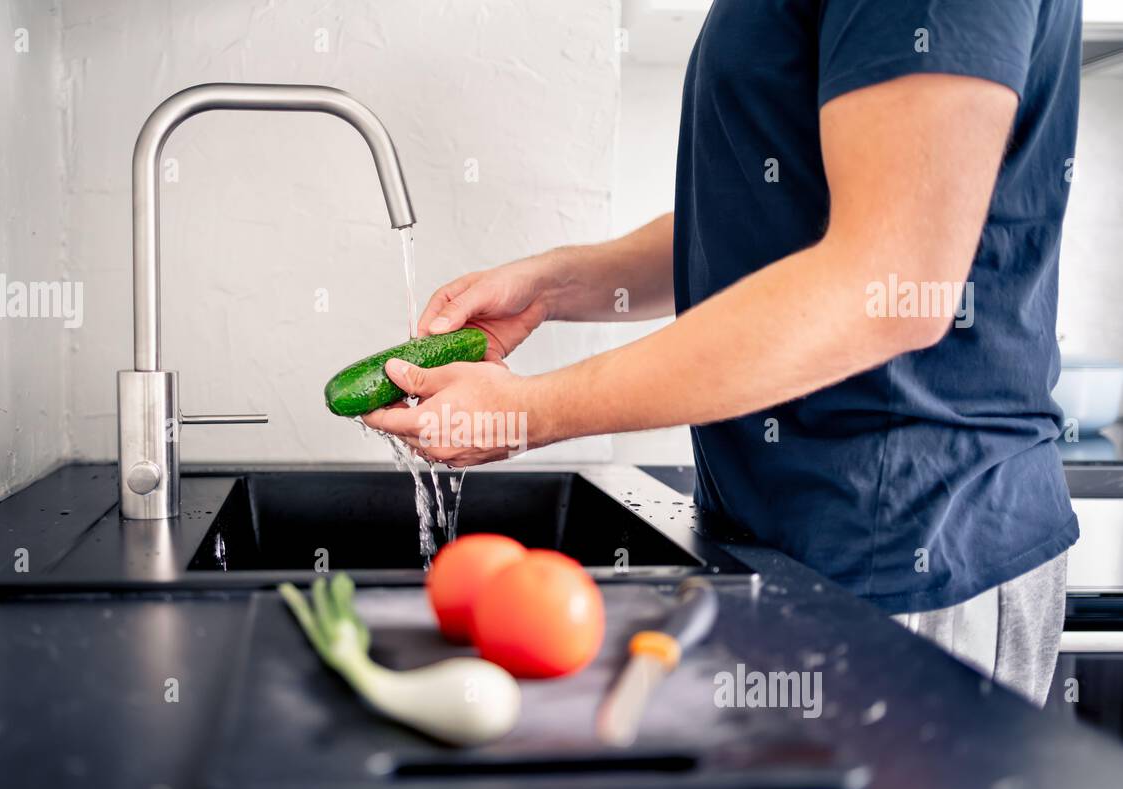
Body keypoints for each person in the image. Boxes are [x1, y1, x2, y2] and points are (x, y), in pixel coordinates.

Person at [363, 0, 1082, 705]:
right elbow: (769, 218)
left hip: (910, 555)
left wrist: (531, 411)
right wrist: (554, 285)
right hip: (785, 543)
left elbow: (887, 284)